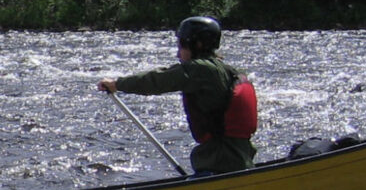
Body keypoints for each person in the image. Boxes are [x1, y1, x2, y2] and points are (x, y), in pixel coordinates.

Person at [97, 16, 257, 175]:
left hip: (220, 160)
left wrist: (117, 84)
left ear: (197, 45)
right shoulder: (227, 70)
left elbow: (159, 80)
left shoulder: (201, 70)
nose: (178, 54)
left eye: (181, 46)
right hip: (239, 158)